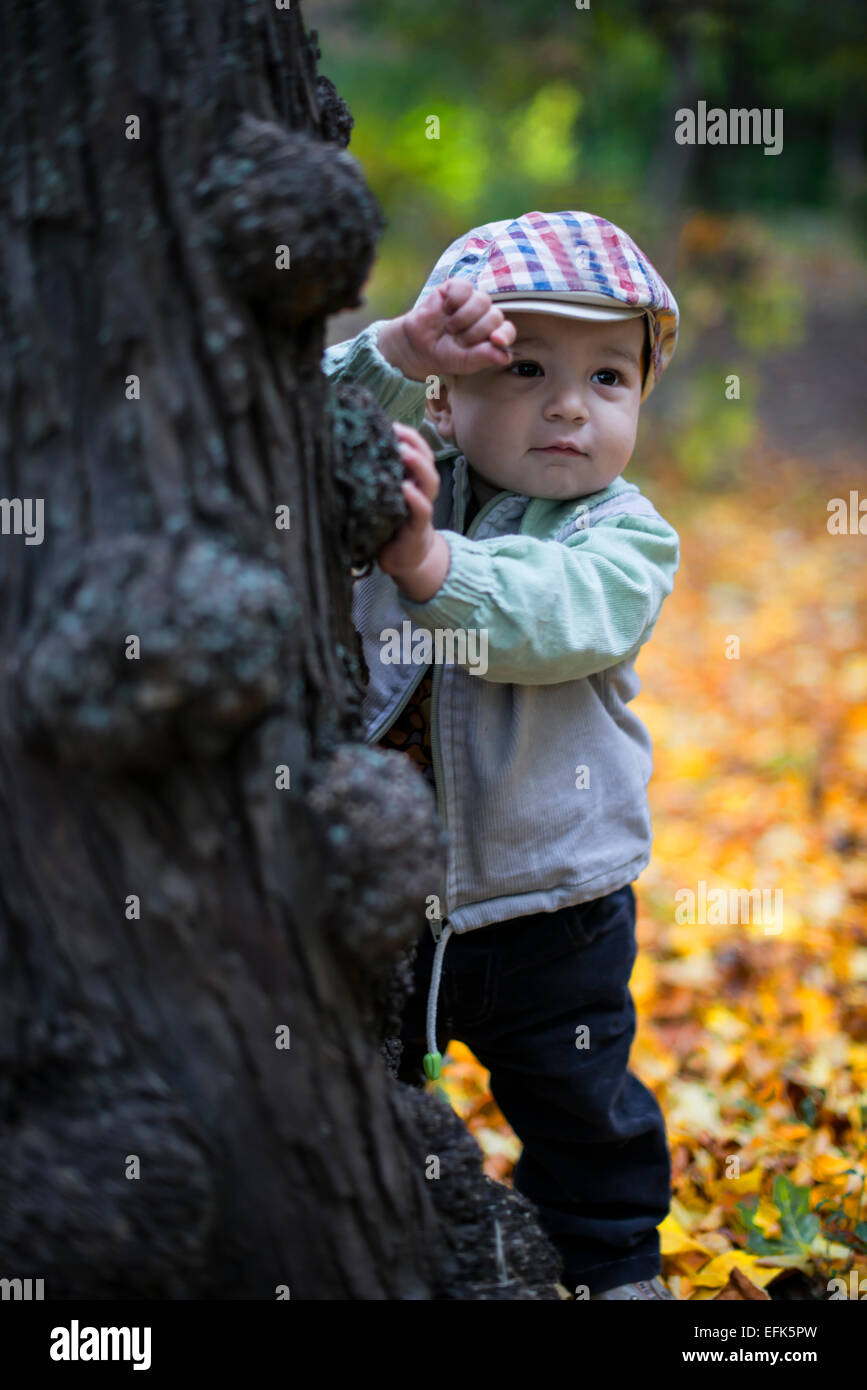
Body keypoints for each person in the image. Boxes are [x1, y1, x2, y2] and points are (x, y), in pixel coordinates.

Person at [322, 211, 681, 1300]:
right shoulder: (400, 474)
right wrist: (396, 350)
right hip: (384, 902)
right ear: (444, 397)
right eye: (527, 368)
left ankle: (614, 1265)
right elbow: (288, 435)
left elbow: (558, 614)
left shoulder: (622, 534)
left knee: (582, 1107)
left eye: (608, 377)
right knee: (360, 1081)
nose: (569, 405)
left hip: (553, 900)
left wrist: (430, 564)